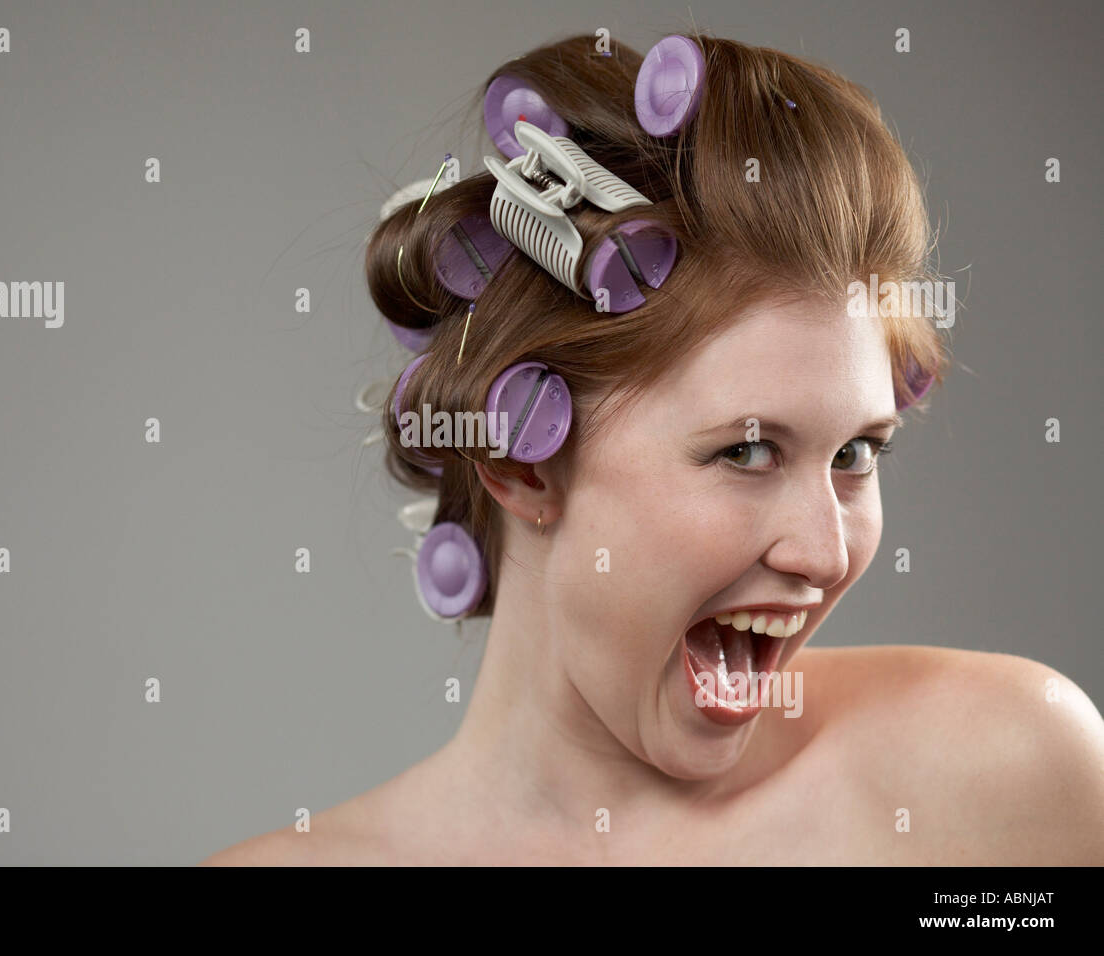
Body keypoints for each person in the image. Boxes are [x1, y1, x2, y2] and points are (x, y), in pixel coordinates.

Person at [203, 32, 1104, 866]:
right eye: (747, 454)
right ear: (519, 457)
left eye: (856, 454)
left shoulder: (1004, 778)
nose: (826, 555)